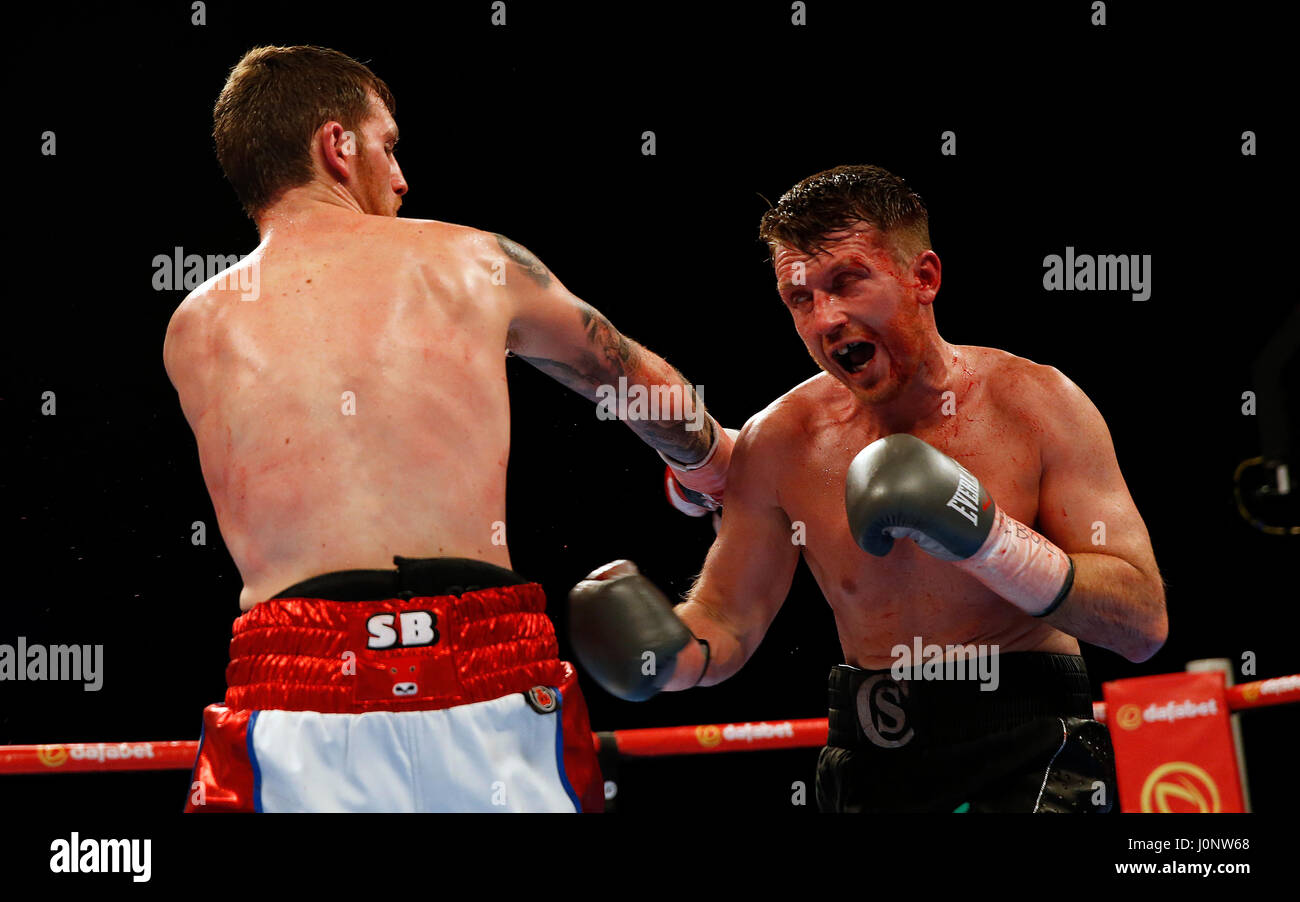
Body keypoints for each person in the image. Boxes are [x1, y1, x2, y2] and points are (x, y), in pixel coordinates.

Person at [163, 45, 734, 812]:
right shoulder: (472, 260)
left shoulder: (194, 327)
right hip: (487, 674)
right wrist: (711, 467)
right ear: (339, 146)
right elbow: (628, 377)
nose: (401, 178)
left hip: (297, 694)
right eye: (389, 146)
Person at [569, 164, 1167, 812]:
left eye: (847, 282)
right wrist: (667, 657)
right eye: (800, 298)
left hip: (1028, 748)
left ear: (924, 278)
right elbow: (726, 621)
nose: (826, 318)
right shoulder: (782, 441)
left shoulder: (1038, 405)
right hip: (865, 760)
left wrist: (987, 539)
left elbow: (1141, 624)